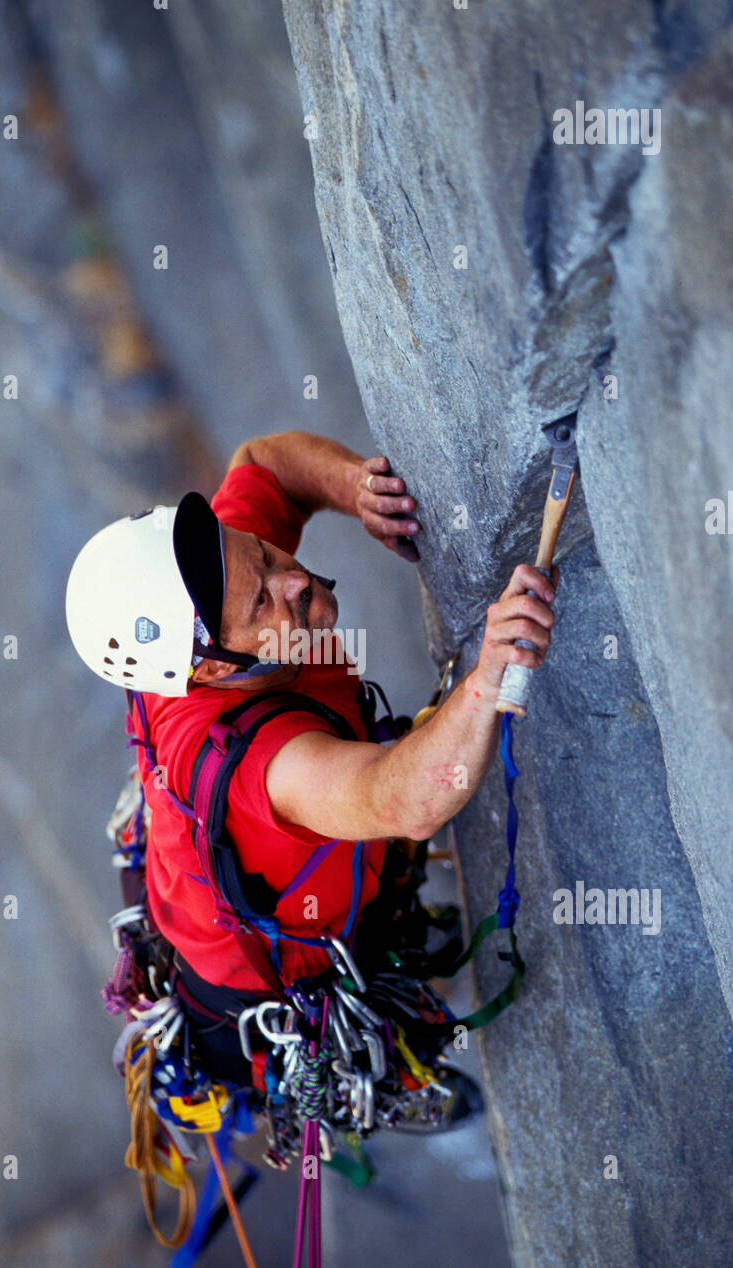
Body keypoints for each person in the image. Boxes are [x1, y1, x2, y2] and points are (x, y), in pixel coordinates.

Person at [65, 430, 558, 1085]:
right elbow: (404, 800)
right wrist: (489, 675)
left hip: (211, 878)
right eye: (261, 601)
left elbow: (264, 464)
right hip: (261, 980)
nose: (293, 579)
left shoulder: (214, 586)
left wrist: (356, 488)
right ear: (211, 667)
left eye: (264, 556)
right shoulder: (265, 767)